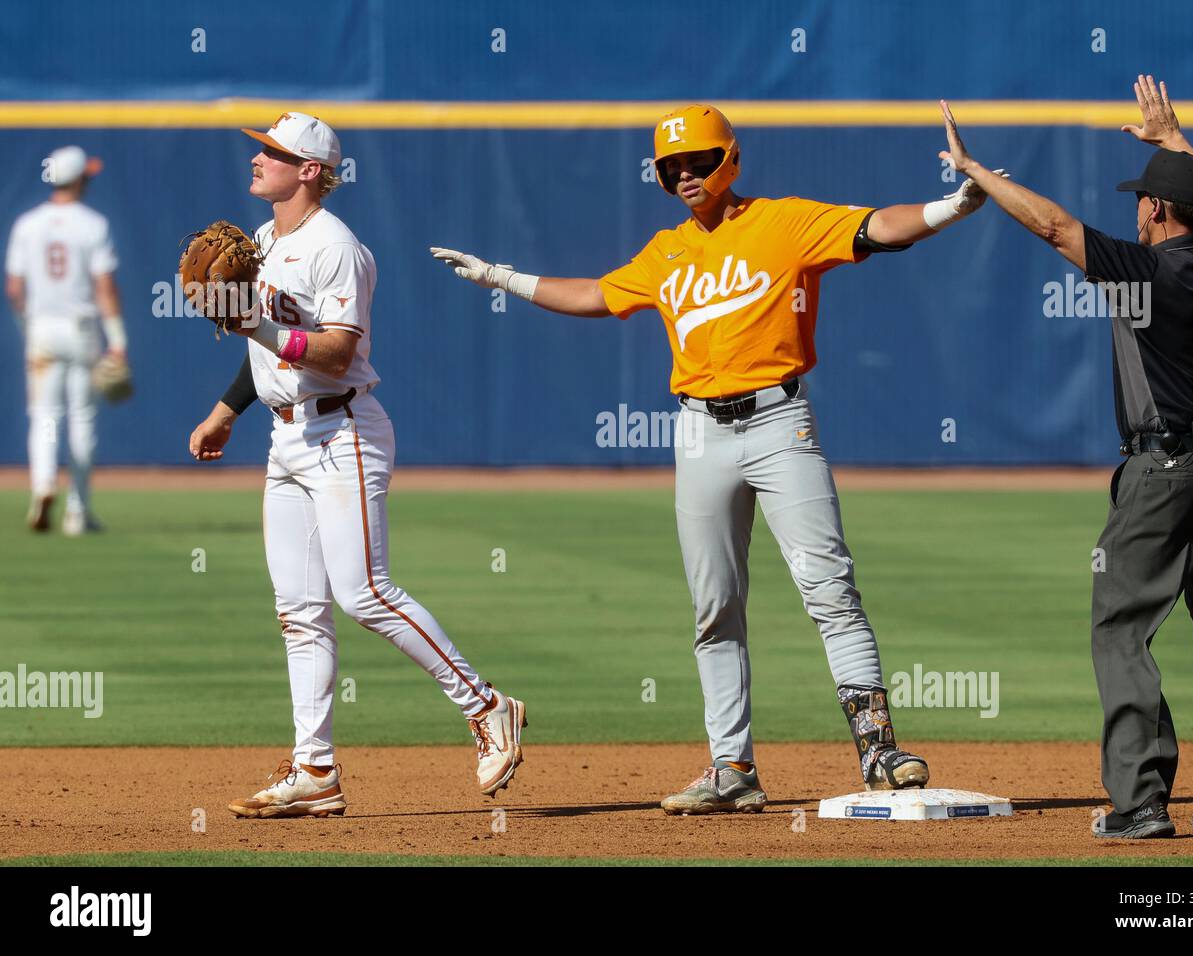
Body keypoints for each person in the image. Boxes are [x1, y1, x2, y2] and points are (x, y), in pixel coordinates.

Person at [431, 104, 997, 814]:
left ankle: (879, 750)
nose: (687, 175)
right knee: (714, 607)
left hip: (779, 420)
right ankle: (731, 767)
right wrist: (500, 277)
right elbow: (597, 295)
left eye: (699, 162)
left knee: (829, 589)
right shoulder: (665, 252)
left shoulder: (784, 222)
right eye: (674, 167)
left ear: (729, 160)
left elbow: (879, 227)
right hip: (699, 433)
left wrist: (954, 205)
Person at [939, 77, 1193, 838]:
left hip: (1166, 474)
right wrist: (1176, 140)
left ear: (1157, 211)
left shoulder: (1149, 275)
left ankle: (1140, 801)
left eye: (1144, 198)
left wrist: (976, 172)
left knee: (1120, 623)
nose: (1136, 207)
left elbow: (1055, 227)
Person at [187, 112, 526, 818]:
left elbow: (336, 352)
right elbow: (268, 351)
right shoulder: (261, 241)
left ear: (309, 170)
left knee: (364, 592)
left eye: (272, 153)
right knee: (298, 613)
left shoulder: (336, 248)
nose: (257, 160)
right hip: (286, 439)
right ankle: (315, 771)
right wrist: (227, 409)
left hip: (342, 431)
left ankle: (488, 705)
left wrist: (252, 321)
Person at [5, 146, 126, 535]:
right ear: (78, 179)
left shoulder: (26, 224)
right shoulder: (92, 224)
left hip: (41, 327)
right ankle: (78, 510)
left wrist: (28, 329)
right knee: (81, 418)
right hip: (81, 328)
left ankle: (42, 485)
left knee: (44, 416)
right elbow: (105, 286)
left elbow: (14, 288)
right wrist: (118, 339)